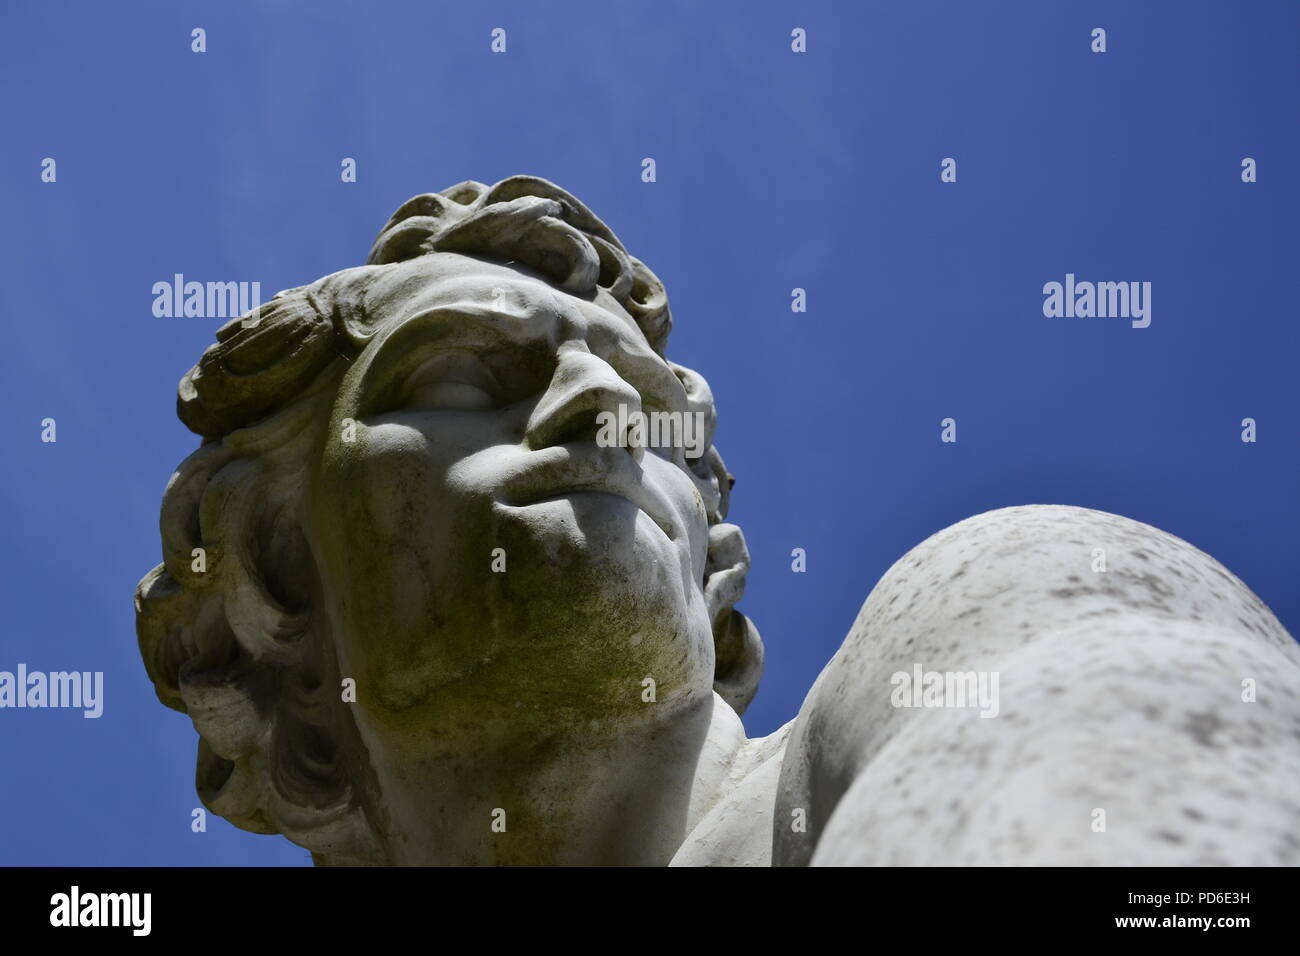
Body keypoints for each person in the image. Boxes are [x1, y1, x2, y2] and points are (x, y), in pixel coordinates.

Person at [136, 177, 1300, 865]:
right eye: (455, 378)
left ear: (714, 581)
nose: (598, 403)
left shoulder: (986, 622)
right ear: (277, 593)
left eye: (657, 412)